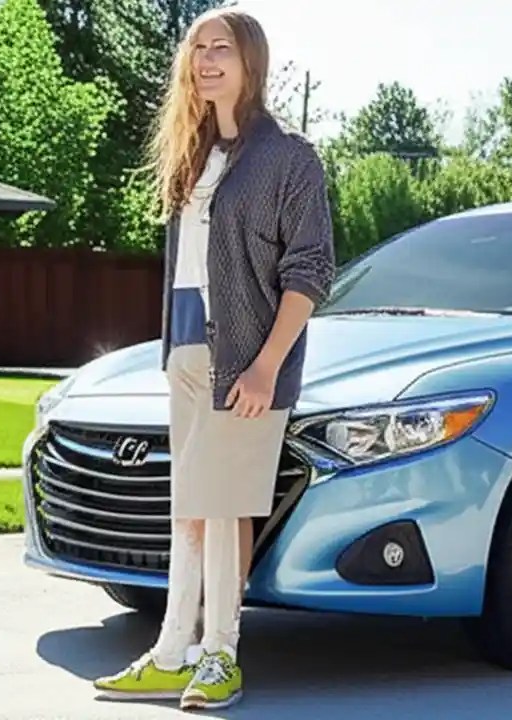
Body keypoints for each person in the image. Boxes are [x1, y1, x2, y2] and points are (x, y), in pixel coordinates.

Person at [92, 6, 334, 710]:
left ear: (250, 60)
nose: (204, 60)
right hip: (188, 350)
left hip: (248, 362)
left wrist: (266, 365)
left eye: (219, 48)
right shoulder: (193, 154)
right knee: (191, 509)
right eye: (196, 48)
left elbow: (310, 271)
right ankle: (173, 653)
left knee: (226, 509)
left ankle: (220, 654)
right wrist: (174, 353)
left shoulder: (289, 157)